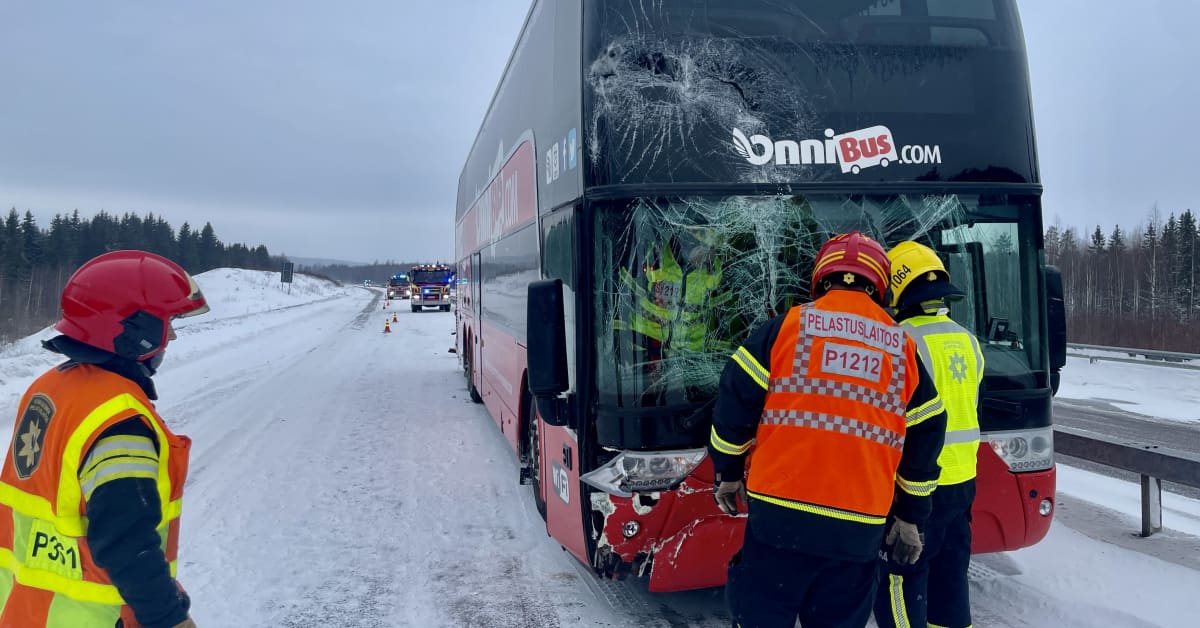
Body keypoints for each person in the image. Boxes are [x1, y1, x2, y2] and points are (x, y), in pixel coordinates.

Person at [708, 231, 947, 628]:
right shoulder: (901, 349)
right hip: (857, 532)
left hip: (779, 525)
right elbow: (927, 433)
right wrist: (910, 517)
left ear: (822, 277)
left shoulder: (786, 328)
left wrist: (728, 474)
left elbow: (735, 401)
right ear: (879, 285)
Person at [0, 250, 208, 628]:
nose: (173, 335)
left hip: (26, 611)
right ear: (134, 330)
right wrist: (170, 618)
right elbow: (127, 541)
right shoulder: (118, 420)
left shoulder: (49, 388)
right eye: (167, 323)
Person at [873, 241, 984, 628]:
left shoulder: (899, 340)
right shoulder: (968, 340)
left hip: (917, 486)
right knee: (950, 579)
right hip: (962, 483)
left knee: (901, 580)